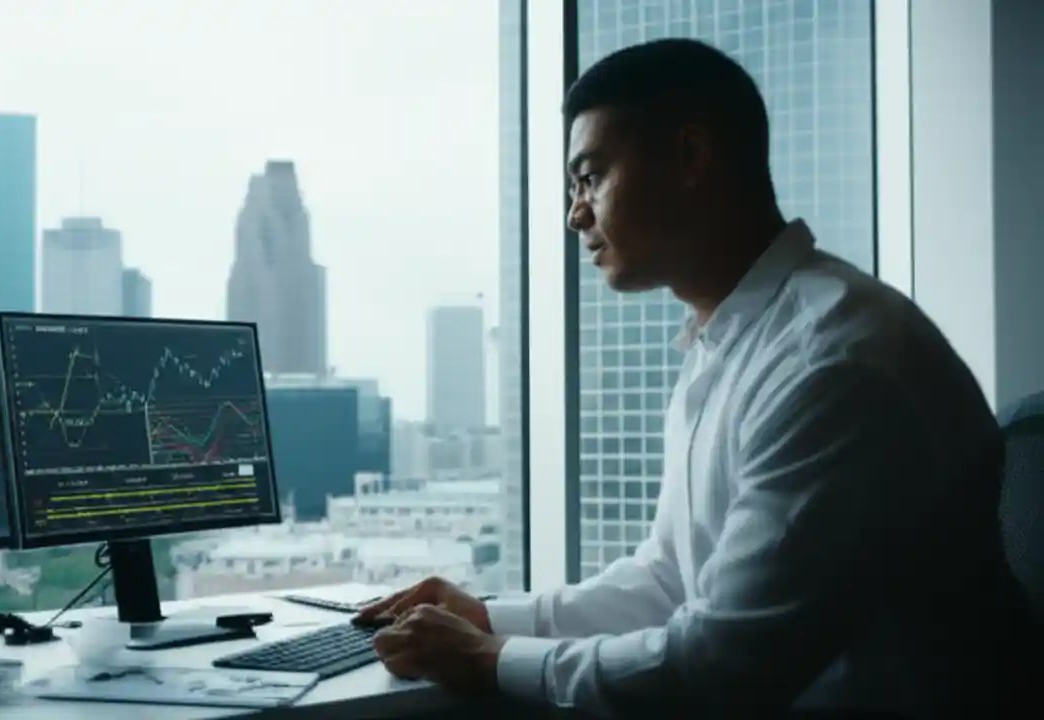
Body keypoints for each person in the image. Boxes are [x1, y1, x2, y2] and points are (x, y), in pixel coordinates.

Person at [355, 38, 1030, 717]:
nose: (575, 214)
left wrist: (488, 658)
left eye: (589, 177)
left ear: (690, 156)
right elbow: (670, 580)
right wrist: (489, 617)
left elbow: (721, 667)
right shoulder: (733, 340)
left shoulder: (831, 363)